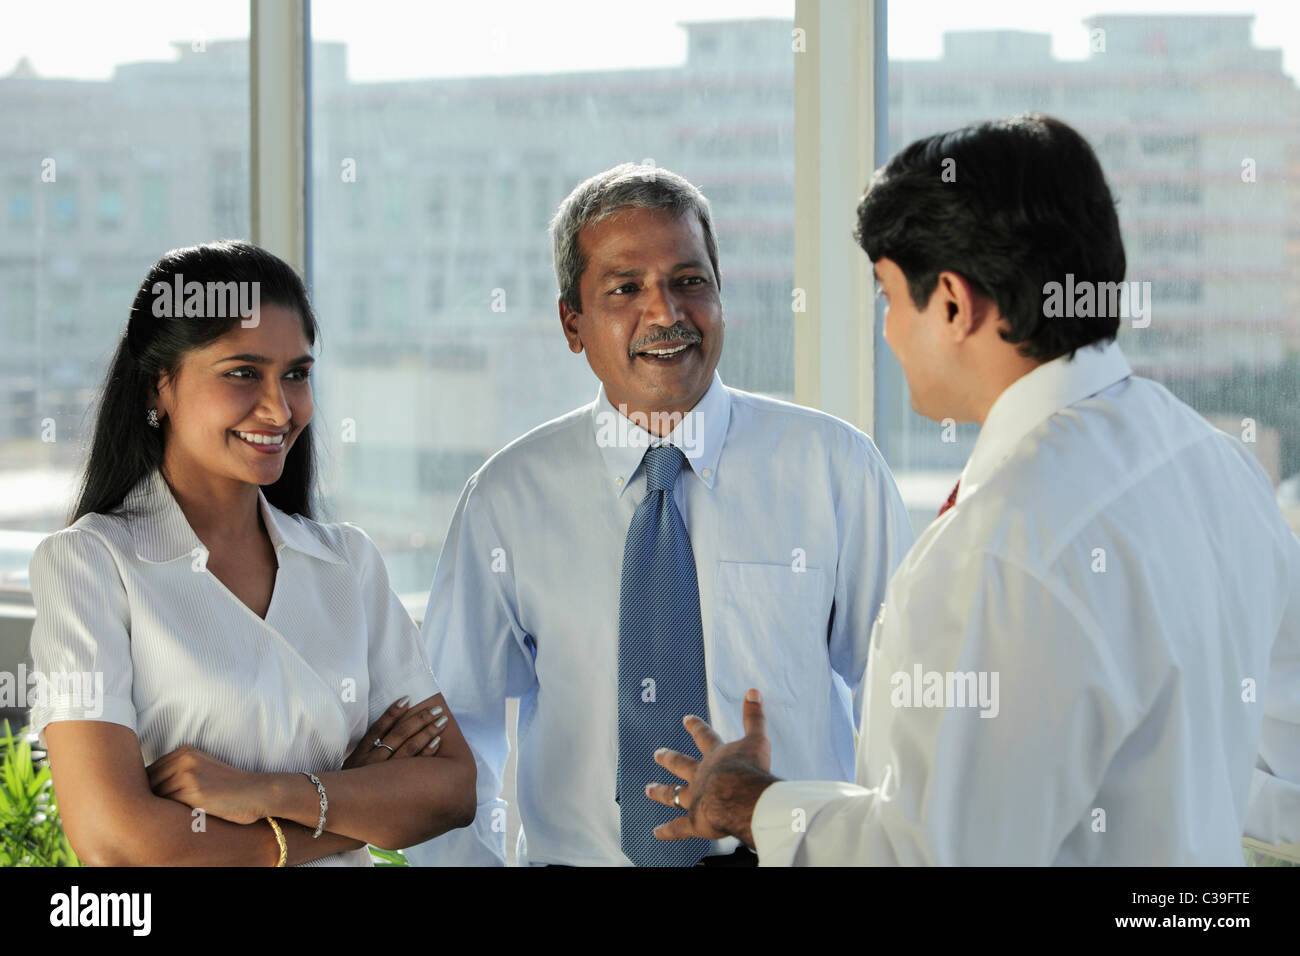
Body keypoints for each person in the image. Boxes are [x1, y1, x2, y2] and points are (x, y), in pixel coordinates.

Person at [644, 114, 1300, 865]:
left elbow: (927, 857)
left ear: (953, 304)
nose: (886, 333)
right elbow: (1281, 773)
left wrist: (751, 804)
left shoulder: (999, 547)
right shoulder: (1216, 463)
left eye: (890, 297)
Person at [404, 164, 914, 867]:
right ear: (571, 322)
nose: (666, 313)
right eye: (625, 289)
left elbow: (907, 702)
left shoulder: (835, 470)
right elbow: (460, 725)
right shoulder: (507, 499)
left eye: (689, 281)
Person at [28, 240, 477, 866]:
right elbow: (118, 841)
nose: (280, 407)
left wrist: (264, 792)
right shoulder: (90, 566)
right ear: (160, 386)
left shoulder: (347, 563)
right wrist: (355, 802)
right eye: (242, 372)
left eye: (296, 373)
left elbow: (451, 791)